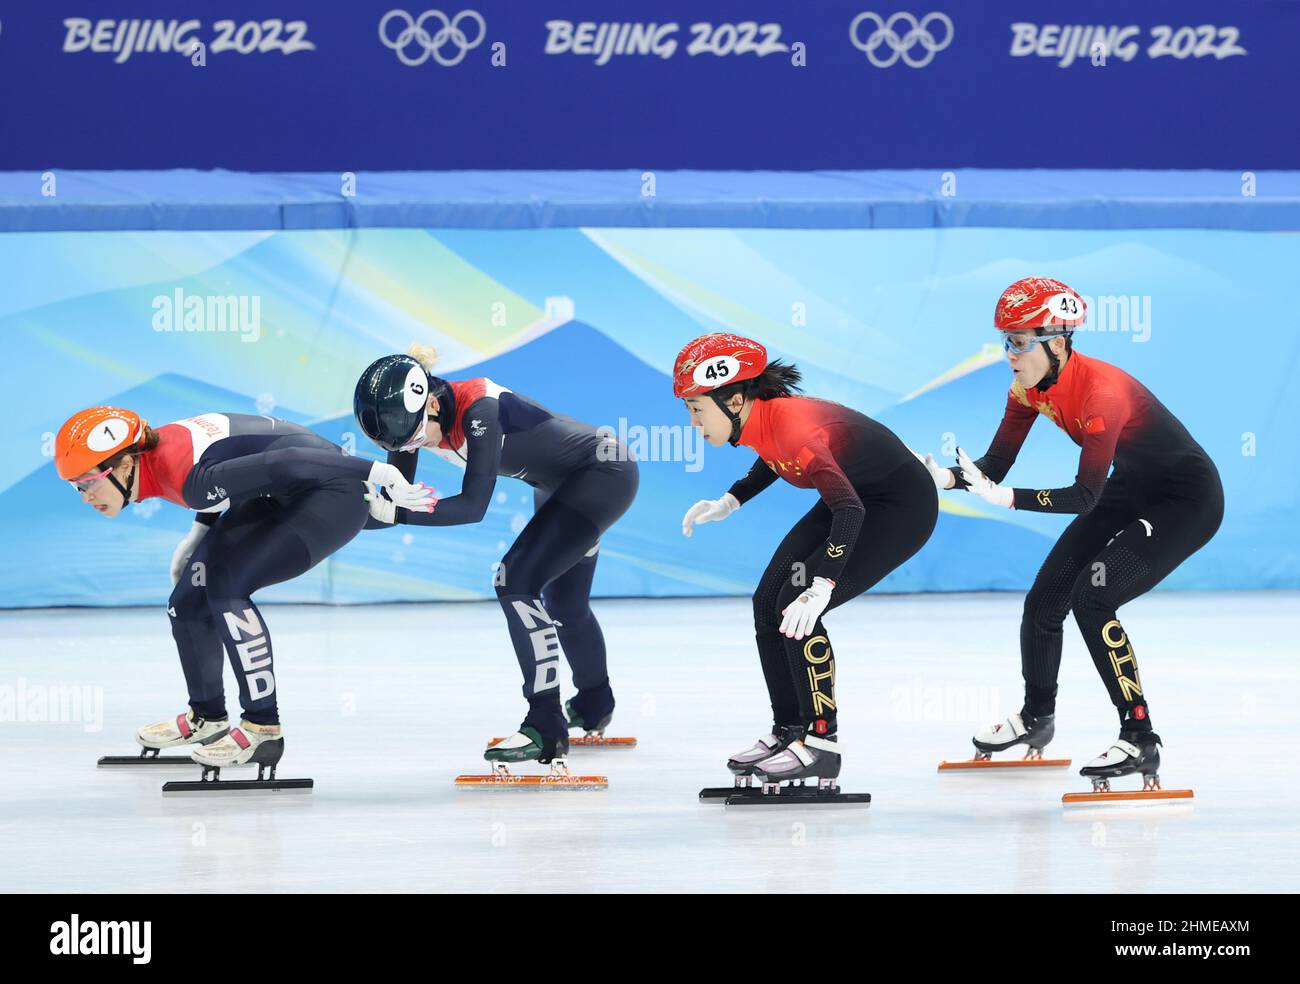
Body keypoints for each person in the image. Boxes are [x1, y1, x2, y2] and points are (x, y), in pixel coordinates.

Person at [917, 277, 1224, 788]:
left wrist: (1007, 498)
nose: (1009, 354)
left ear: (1056, 343)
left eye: (1018, 342)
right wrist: (943, 479)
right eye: (1006, 341)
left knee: (1094, 597)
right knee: (1044, 601)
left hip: (1185, 501)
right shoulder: (1026, 388)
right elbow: (995, 463)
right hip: (1131, 486)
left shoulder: (1102, 394)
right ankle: (1037, 719)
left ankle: (1140, 737)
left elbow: (1084, 496)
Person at [54, 406, 432, 771]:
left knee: (227, 588)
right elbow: (230, 468)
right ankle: (208, 717)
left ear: (122, 463)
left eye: (88, 482)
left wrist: (381, 473)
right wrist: (199, 533)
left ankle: (262, 729)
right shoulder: (161, 459)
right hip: (280, 492)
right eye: (76, 487)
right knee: (186, 603)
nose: (86, 496)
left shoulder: (183, 476)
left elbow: (287, 462)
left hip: (333, 493)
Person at [353, 345, 639, 770]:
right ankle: (596, 703)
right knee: (565, 602)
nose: (413, 448)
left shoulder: (479, 411)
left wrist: (393, 511)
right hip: (563, 484)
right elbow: (391, 507)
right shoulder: (411, 420)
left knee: (515, 579)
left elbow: (472, 507)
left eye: (417, 439)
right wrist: (338, 517)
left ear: (432, 402)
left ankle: (545, 725)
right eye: (402, 444)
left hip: (604, 474)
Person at [675, 332, 937, 790]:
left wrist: (822, 586)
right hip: (853, 497)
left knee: (798, 606)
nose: (693, 422)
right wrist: (731, 501)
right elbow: (771, 457)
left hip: (898, 508)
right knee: (767, 604)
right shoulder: (760, 418)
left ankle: (822, 744)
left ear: (734, 400)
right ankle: (789, 731)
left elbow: (850, 510)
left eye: (697, 409)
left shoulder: (794, 427)